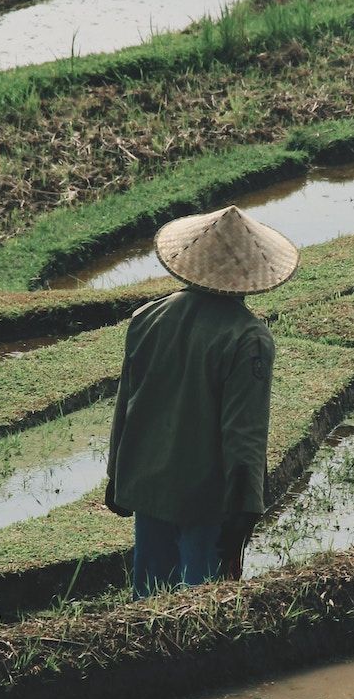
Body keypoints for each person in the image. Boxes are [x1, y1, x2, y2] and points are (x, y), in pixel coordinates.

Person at [104, 205, 299, 599]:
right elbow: (244, 435)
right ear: (251, 275)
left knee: (149, 603)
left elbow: (125, 405)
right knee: (204, 604)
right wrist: (244, 513)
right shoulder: (248, 339)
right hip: (207, 500)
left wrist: (116, 477)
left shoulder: (148, 317)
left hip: (150, 487)